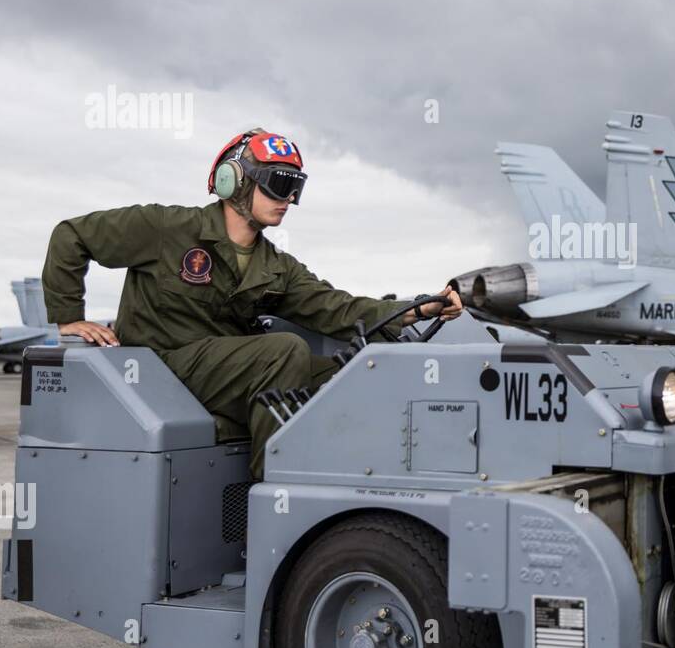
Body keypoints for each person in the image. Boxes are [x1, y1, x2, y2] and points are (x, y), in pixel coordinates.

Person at [42, 129, 462, 477]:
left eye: (295, 188)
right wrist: (68, 318)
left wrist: (419, 308)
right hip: (158, 369)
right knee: (283, 352)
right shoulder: (168, 228)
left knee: (353, 370)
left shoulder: (276, 267)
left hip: (225, 373)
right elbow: (71, 236)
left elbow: (339, 309)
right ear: (235, 181)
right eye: (279, 184)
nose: (288, 200)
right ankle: (272, 493)